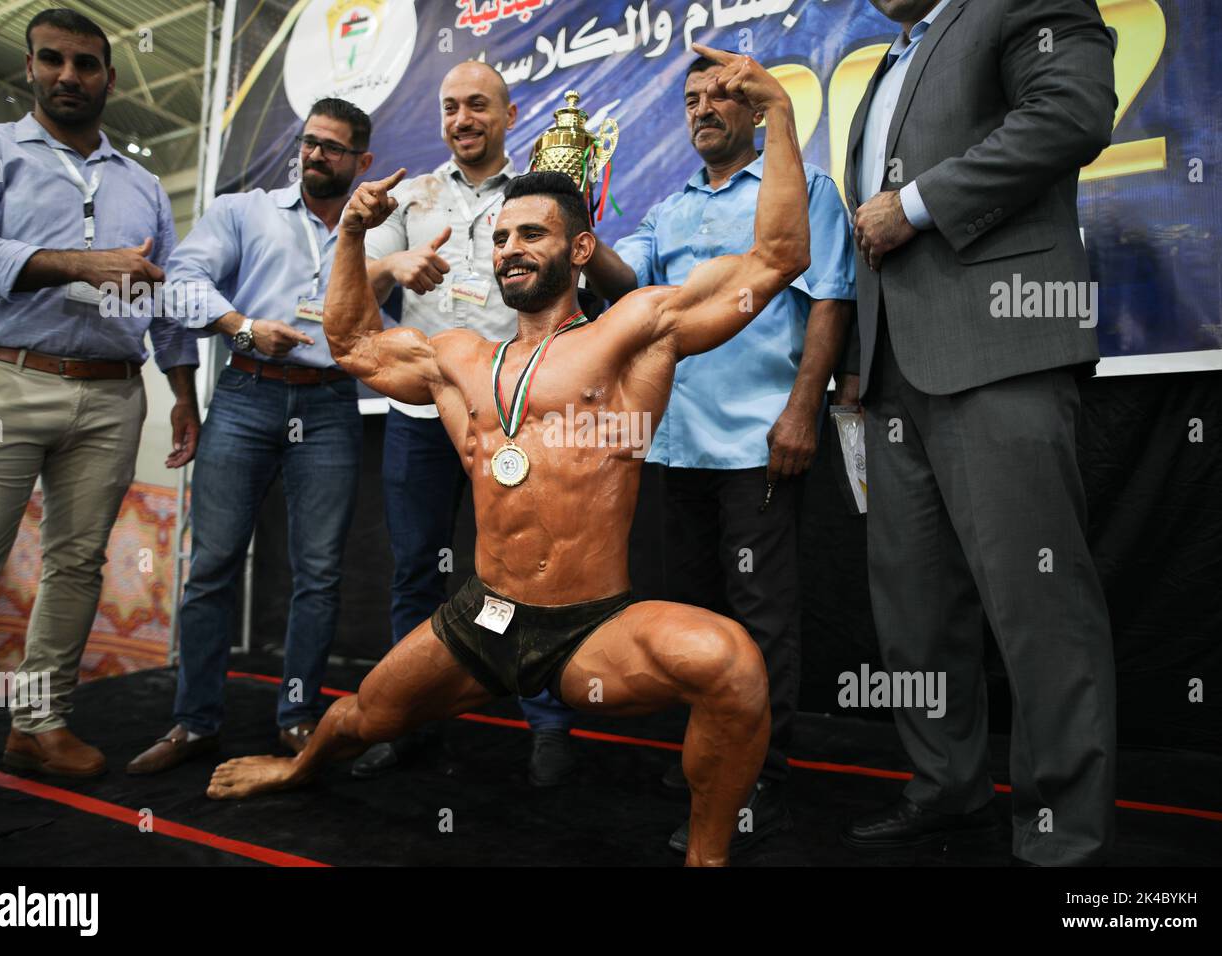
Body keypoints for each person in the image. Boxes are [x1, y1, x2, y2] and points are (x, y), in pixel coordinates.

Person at [204, 45, 808, 867]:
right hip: (483, 619)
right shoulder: (460, 360)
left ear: (581, 249)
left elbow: (776, 259)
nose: (511, 248)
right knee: (360, 717)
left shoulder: (632, 335)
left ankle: (707, 856)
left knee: (732, 664)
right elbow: (348, 341)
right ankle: (294, 766)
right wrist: (351, 233)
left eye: (533, 233)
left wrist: (780, 115)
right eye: (502, 237)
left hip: (590, 627)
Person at [840, 0, 1117, 865]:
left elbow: (1071, 114)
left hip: (1001, 346)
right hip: (892, 376)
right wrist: (858, 362)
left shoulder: (1020, 4)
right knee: (914, 616)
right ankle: (947, 789)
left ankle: (1060, 835)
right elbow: (870, 234)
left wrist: (916, 204)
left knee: (1038, 606)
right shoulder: (889, 60)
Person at [583, 52, 856, 854]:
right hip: (677, 446)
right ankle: (714, 757)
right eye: (693, 99)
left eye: (721, 97)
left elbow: (832, 298)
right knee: (694, 621)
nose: (704, 108)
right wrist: (577, 226)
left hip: (758, 443)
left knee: (762, 619)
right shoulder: (669, 211)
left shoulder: (800, 191)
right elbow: (626, 280)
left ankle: (760, 775)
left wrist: (803, 411)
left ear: (754, 110)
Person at [0, 8, 198, 779]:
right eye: (52, 60)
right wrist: (79, 265)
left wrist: (182, 390)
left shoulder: (143, 183)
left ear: (109, 78)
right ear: (29, 66)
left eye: (85, 64)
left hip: (113, 395)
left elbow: (167, 291)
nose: (68, 76)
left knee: (77, 563)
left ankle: (39, 721)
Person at [125, 99, 373, 775]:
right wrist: (242, 326)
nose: (316, 155)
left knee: (318, 575)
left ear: (361, 162)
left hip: (329, 404)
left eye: (332, 147)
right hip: (246, 392)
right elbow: (180, 285)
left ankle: (296, 718)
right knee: (211, 568)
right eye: (309, 142)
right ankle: (194, 722)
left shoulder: (372, 233)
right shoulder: (245, 211)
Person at [359, 60, 577, 785]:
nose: (462, 119)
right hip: (421, 412)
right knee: (415, 571)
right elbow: (349, 286)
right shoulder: (412, 197)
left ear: (510, 116)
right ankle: (409, 722)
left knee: (530, 575)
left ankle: (547, 725)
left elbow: (573, 284)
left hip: (511, 414)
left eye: (478, 105)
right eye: (451, 107)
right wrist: (394, 269)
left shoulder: (538, 198)